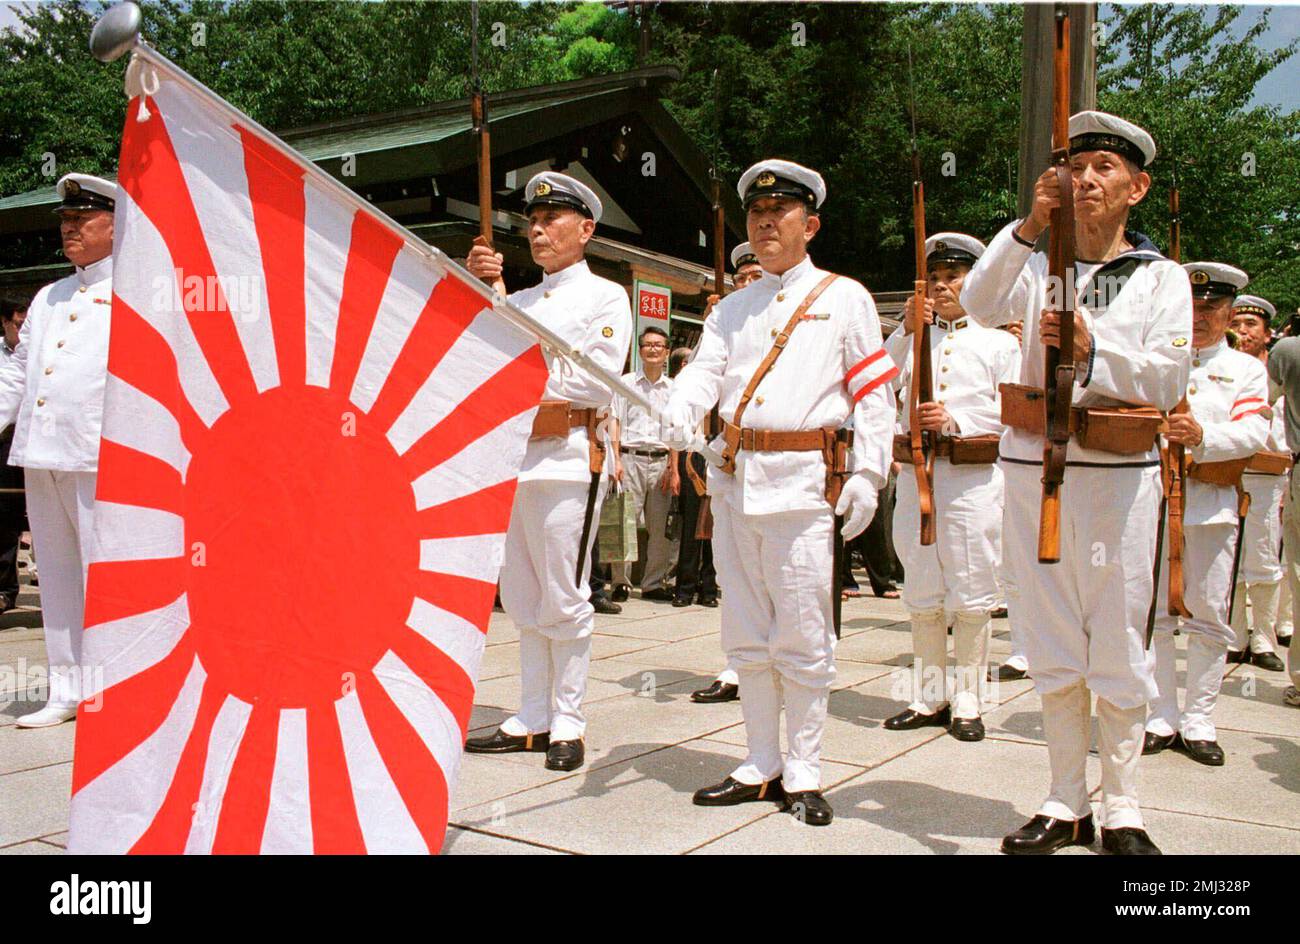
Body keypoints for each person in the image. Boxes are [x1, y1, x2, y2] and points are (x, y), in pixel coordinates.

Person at [962, 112, 1190, 855]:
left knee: (1119, 644)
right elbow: (977, 305)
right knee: (1053, 640)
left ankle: (1123, 808)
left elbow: (1168, 374)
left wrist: (1095, 347)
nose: (1086, 181)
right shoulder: (1035, 262)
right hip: (1038, 470)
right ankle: (1065, 799)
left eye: (1103, 169)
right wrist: (1029, 225)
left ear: (1137, 187)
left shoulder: (1160, 279)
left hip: (1120, 480)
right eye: (1076, 167)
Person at [663, 159, 897, 825]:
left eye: (781, 212)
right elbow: (704, 375)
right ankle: (759, 760)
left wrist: (869, 473)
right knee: (744, 633)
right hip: (736, 484)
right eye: (757, 213)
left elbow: (875, 395)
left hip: (801, 487)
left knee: (801, 636)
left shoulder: (842, 296)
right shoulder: (733, 308)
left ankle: (805, 770)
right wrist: (679, 409)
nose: (766, 221)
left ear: (810, 223)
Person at [464, 172, 632, 772]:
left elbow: (596, 379)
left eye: (552, 219)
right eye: (531, 222)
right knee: (524, 594)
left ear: (585, 229)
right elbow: (482, 367)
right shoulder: (520, 300)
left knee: (564, 592)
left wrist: (521, 361)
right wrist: (485, 294)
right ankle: (531, 715)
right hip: (515, 458)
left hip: (568, 454)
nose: (537, 229)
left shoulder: (606, 297)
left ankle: (568, 720)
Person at [883, 232, 1021, 742]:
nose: (942, 288)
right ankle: (928, 694)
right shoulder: (912, 340)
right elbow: (875, 385)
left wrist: (956, 418)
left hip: (973, 477)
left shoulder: (1001, 343)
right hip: (918, 473)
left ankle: (968, 697)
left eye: (953, 278)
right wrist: (905, 329)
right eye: (934, 279)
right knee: (921, 584)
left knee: (971, 585)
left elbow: (1017, 417)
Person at [1143, 263, 1269, 767]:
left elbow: (1253, 434)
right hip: (1150, 502)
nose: (1200, 316)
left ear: (1229, 314)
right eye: (1192, 306)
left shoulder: (1246, 369)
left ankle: (1199, 718)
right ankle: (1160, 713)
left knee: (1209, 614)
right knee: (1152, 614)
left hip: (1211, 505)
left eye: (1212, 307)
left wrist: (1203, 439)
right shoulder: (1156, 363)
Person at [3, 175, 117, 728]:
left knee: (107, 577)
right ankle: (68, 688)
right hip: (43, 452)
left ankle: (115, 689)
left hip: (100, 455)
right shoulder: (50, 295)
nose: (70, 228)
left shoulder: (138, 290)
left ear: (116, 225)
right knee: (57, 574)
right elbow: (19, 374)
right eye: (65, 220)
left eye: (83, 219)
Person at [687, 244, 764, 703]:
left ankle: (774, 662)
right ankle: (736, 663)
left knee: (771, 575)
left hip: (777, 460)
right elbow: (703, 373)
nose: (749, 285)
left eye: (757, 275)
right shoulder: (726, 320)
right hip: (727, 458)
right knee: (731, 572)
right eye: (742, 278)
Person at [1226, 294, 1288, 671]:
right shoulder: (1225, 370)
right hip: (1226, 475)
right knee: (1228, 559)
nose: (1243, 332)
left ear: (1267, 335)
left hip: (1266, 476)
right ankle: (1233, 635)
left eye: (1251, 326)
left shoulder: (1276, 377)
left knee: (1263, 559)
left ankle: (1263, 637)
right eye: (1238, 323)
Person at [610, 326, 679, 601]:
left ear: (667, 352)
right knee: (621, 522)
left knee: (660, 527)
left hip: (661, 461)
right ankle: (620, 583)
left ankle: (653, 583)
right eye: (648, 344)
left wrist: (674, 467)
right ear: (639, 351)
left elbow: (676, 428)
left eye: (658, 345)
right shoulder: (625, 383)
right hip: (630, 458)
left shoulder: (674, 389)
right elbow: (614, 421)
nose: (653, 349)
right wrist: (615, 459)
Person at [0, 294, 30, 613]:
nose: (22, 329)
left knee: (19, 516)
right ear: (5, 322)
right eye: (17, 323)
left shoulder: (38, 350)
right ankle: (5, 590)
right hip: (4, 443)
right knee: (4, 518)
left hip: (30, 441)